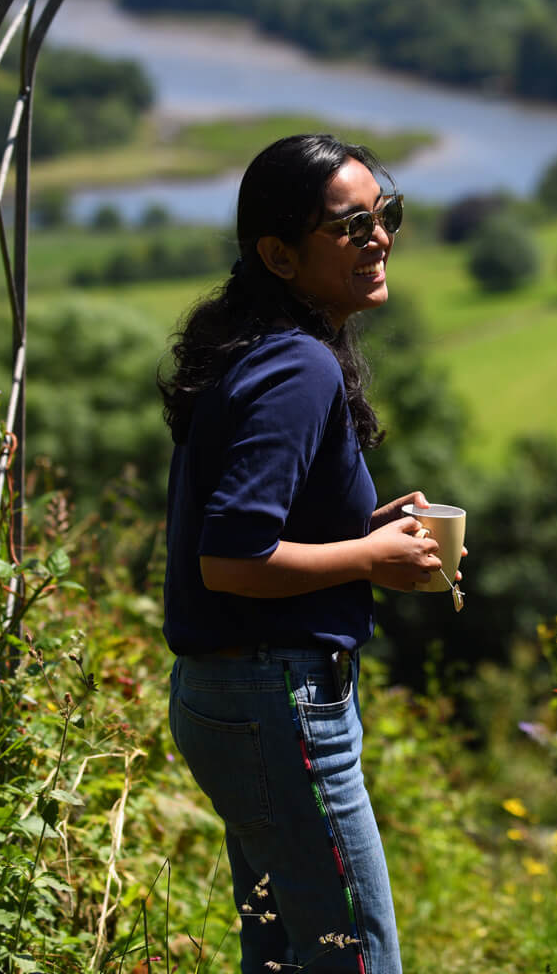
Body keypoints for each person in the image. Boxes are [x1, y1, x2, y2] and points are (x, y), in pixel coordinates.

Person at [158, 133, 454, 974]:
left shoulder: (262, 348)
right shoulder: (300, 368)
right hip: (278, 700)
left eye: (383, 216)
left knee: (287, 958)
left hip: (234, 695)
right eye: (350, 227)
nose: (379, 239)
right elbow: (233, 557)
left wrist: (366, 527)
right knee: (353, 959)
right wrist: (367, 559)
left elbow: (254, 527)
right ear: (279, 255)